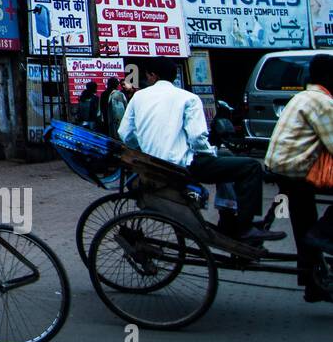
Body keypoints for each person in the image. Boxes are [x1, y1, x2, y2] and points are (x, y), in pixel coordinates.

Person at [119, 57, 281, 243]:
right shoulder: (188, 98)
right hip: (182, 167)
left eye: (147, 75)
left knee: (225, 161)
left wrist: (142, 150)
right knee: (251, 166)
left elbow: (125, 133)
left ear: (152, 75)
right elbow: (197, 138)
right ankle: (244, 226)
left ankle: (228, 219)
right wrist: (208, 152)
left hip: (152, 164)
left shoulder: (138, 97)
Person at [264, 53, 333, 302]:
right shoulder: (322, 102)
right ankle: (323, 235)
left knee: (304, 223)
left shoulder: (303, 96)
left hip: (282, 166)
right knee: (311, 228)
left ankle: (313, 284)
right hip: (294, 169)